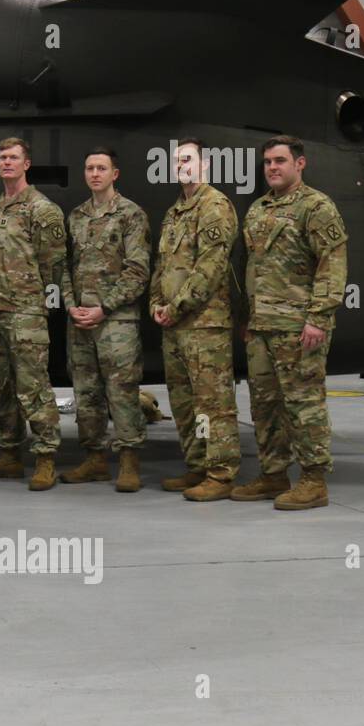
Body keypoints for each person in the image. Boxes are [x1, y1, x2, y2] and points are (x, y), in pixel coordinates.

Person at [234, 135, 347, 511]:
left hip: (300, 327)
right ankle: (273, 474)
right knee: (265, 406)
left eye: (280, 160)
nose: (272, 168)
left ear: (300, 164)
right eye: (267, 161)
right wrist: (250, 317)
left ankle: (314, 480)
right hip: (262, 326)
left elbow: (332, 266)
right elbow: (252, 268)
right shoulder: (258, 209)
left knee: (304, 404)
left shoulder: (316, 207)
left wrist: (318, 318)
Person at [149, 137, 241, 501]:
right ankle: (198, 465)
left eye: (188, 159)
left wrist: (176, 307)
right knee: (185, 403)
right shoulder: (174, 213)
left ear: (205, 165)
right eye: (177, 160)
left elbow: (211, 267)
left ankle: (220, 473)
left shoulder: (215, 206)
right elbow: (162, 266)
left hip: (204, 325)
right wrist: (156, 302)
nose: (182, 165)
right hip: (174, 327)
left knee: (211, 404)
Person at [0, 137, 66, 491]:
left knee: (34, 388)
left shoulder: (42, 209)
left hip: (26, 313)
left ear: (26, 164)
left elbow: (52, 264)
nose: (6, 163)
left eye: (13, 158)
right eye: (2, 157)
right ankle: (10, 455)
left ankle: (45, 458)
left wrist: (37, 305)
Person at [59, 148, 151, 492]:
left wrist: (104, 307)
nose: (95, 173)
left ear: (115, 174)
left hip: (116, 322)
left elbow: (138, 271)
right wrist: (71, 304)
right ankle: (95, 459)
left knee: (122, 391)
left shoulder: (131, 214)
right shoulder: (77, 216)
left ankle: (129, 461)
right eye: (89, 168)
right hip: (81, 320)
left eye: (101, 168)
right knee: (87, 393)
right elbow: (65, 269)